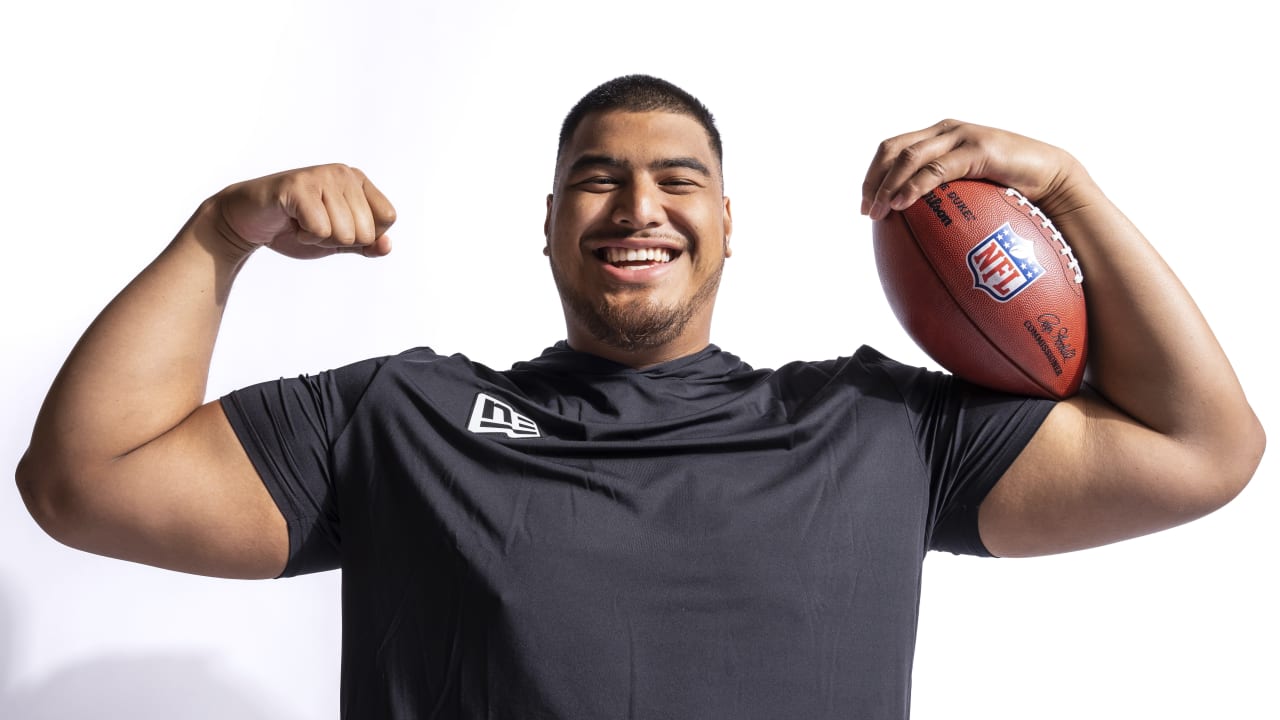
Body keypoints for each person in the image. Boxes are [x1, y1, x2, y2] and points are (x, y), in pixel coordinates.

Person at [15, 75, 1264, 718]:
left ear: (727, 227)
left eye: (678, 179)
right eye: (595, 180)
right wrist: (216, 234)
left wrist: (1073, 192)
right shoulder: (401, 421)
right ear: (550, 228)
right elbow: (84, 480)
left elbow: (1202, 447)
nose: (637, 205)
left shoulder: (877, 428)